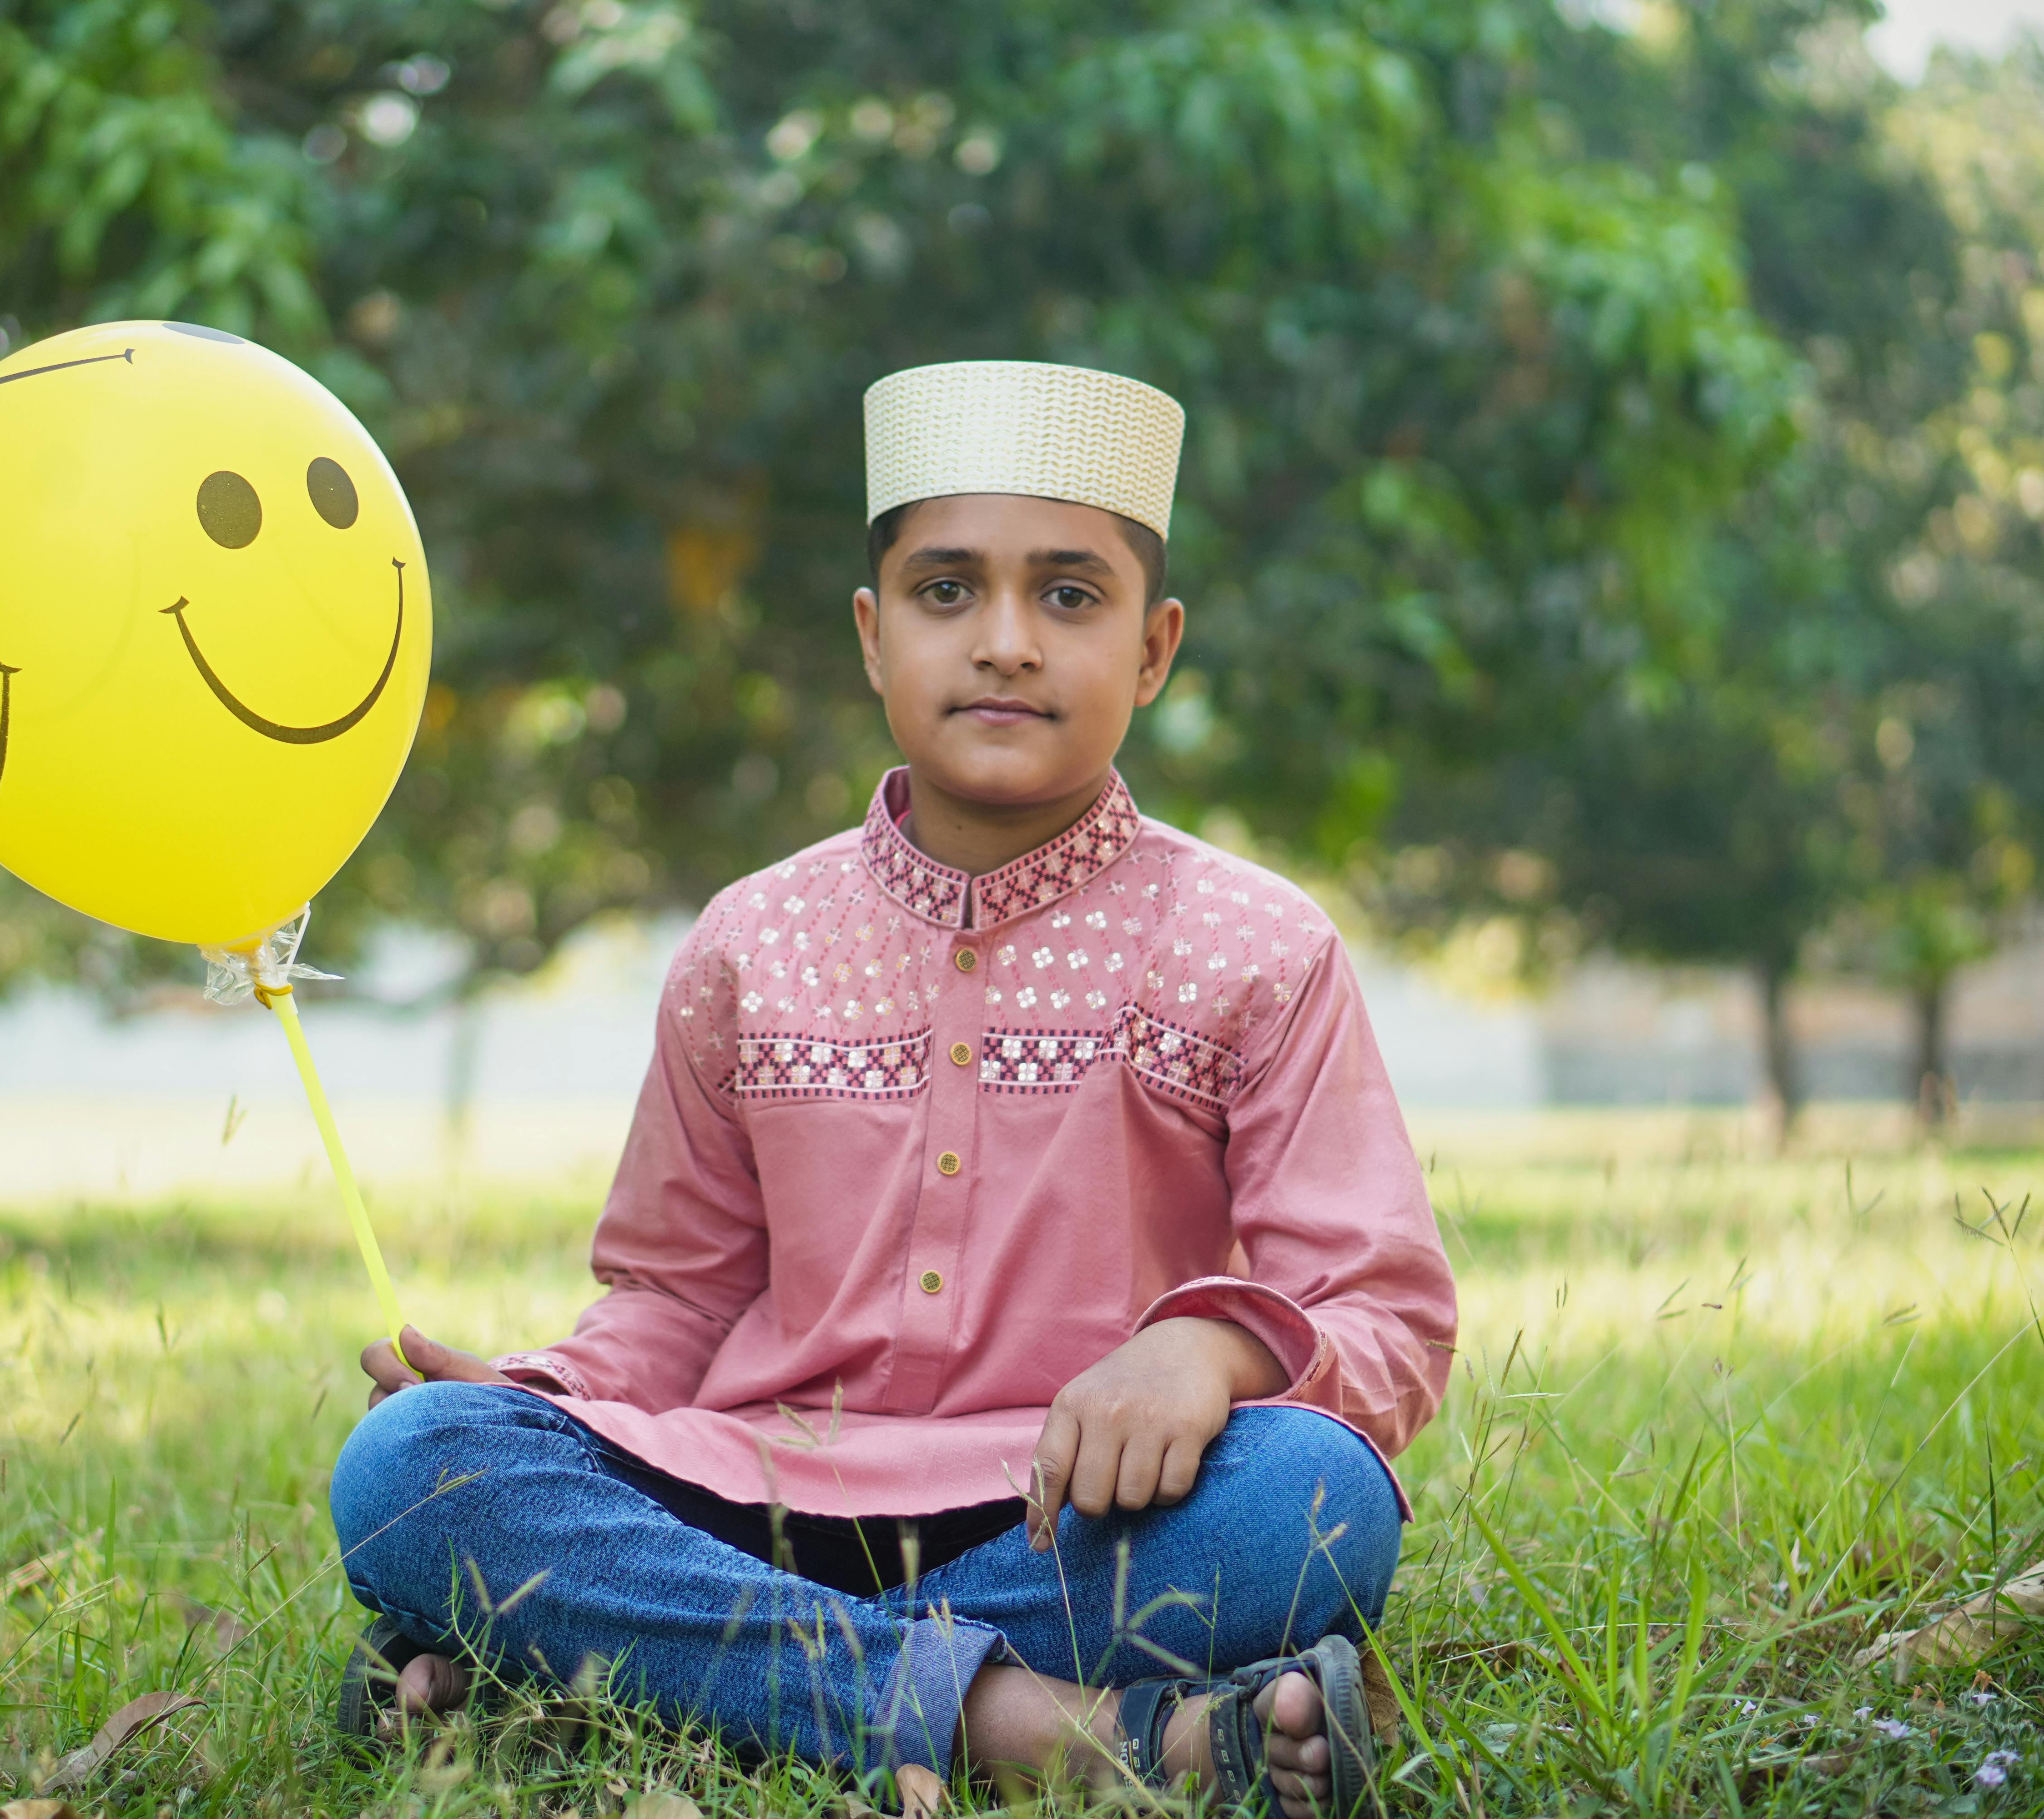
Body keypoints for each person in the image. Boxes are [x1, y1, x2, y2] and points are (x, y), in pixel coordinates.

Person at [327, 360, 1456, 1814]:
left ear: (1157, 647)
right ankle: (1089, 1735)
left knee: (1316, 1499)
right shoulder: (749, 945)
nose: (1004, 643)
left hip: (1075, 1518)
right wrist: (553, 1399)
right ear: (871, 637)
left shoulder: (1256, 948)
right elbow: (676, 1293)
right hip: (751, 1505)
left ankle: (597, 1672)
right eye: (944, 592)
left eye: (1068, 595)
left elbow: (1388, 1322)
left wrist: (1213, 1355)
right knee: (414, 1462)